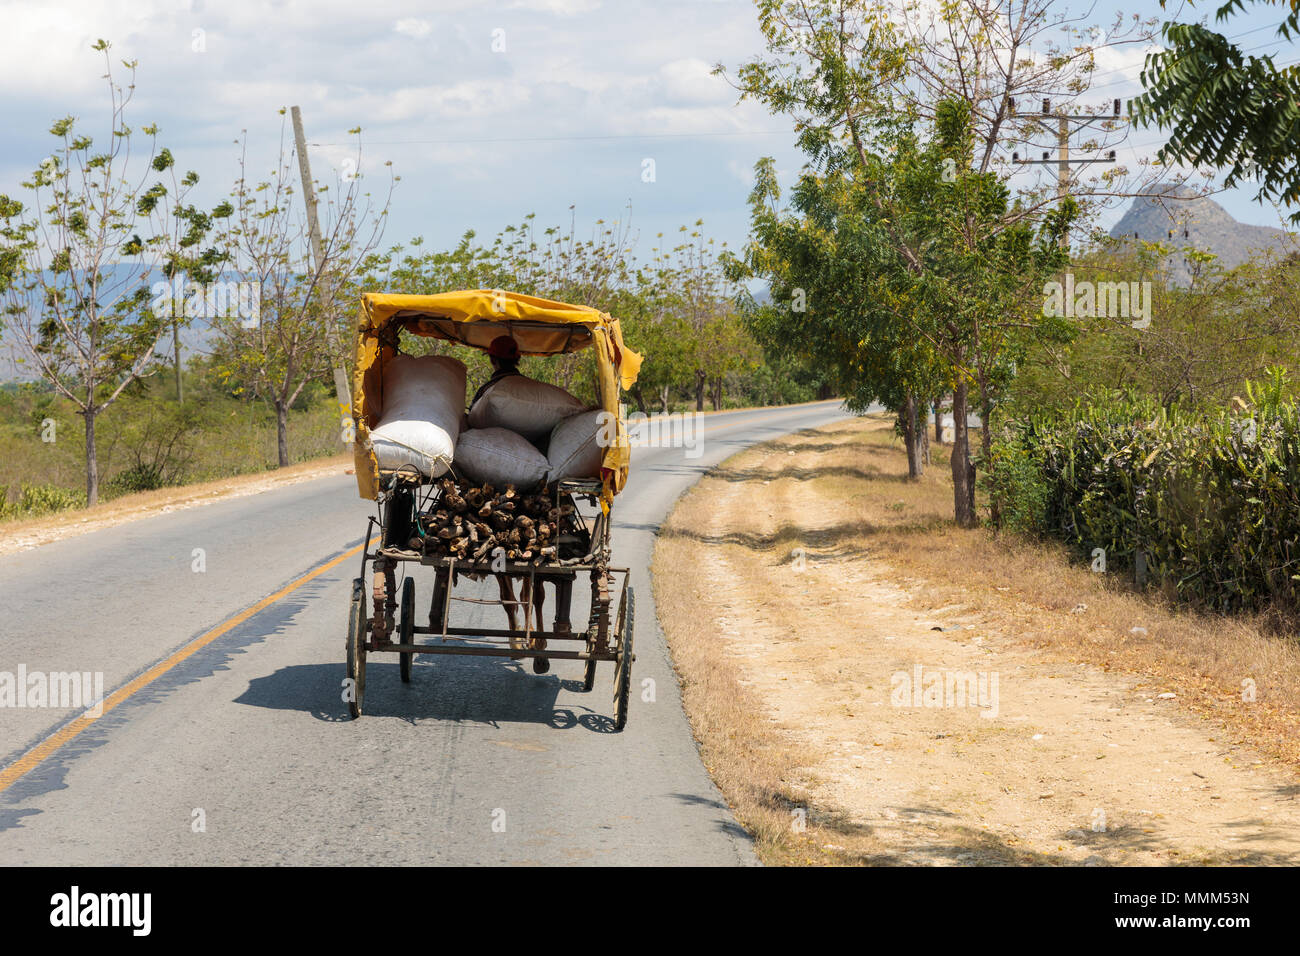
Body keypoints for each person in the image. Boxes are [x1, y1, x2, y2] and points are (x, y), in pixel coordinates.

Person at [469, 334, 523, 411]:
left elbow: (472, 413)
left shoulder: (486, 390)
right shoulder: (530, 388)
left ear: (493, 360)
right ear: (517, 359)